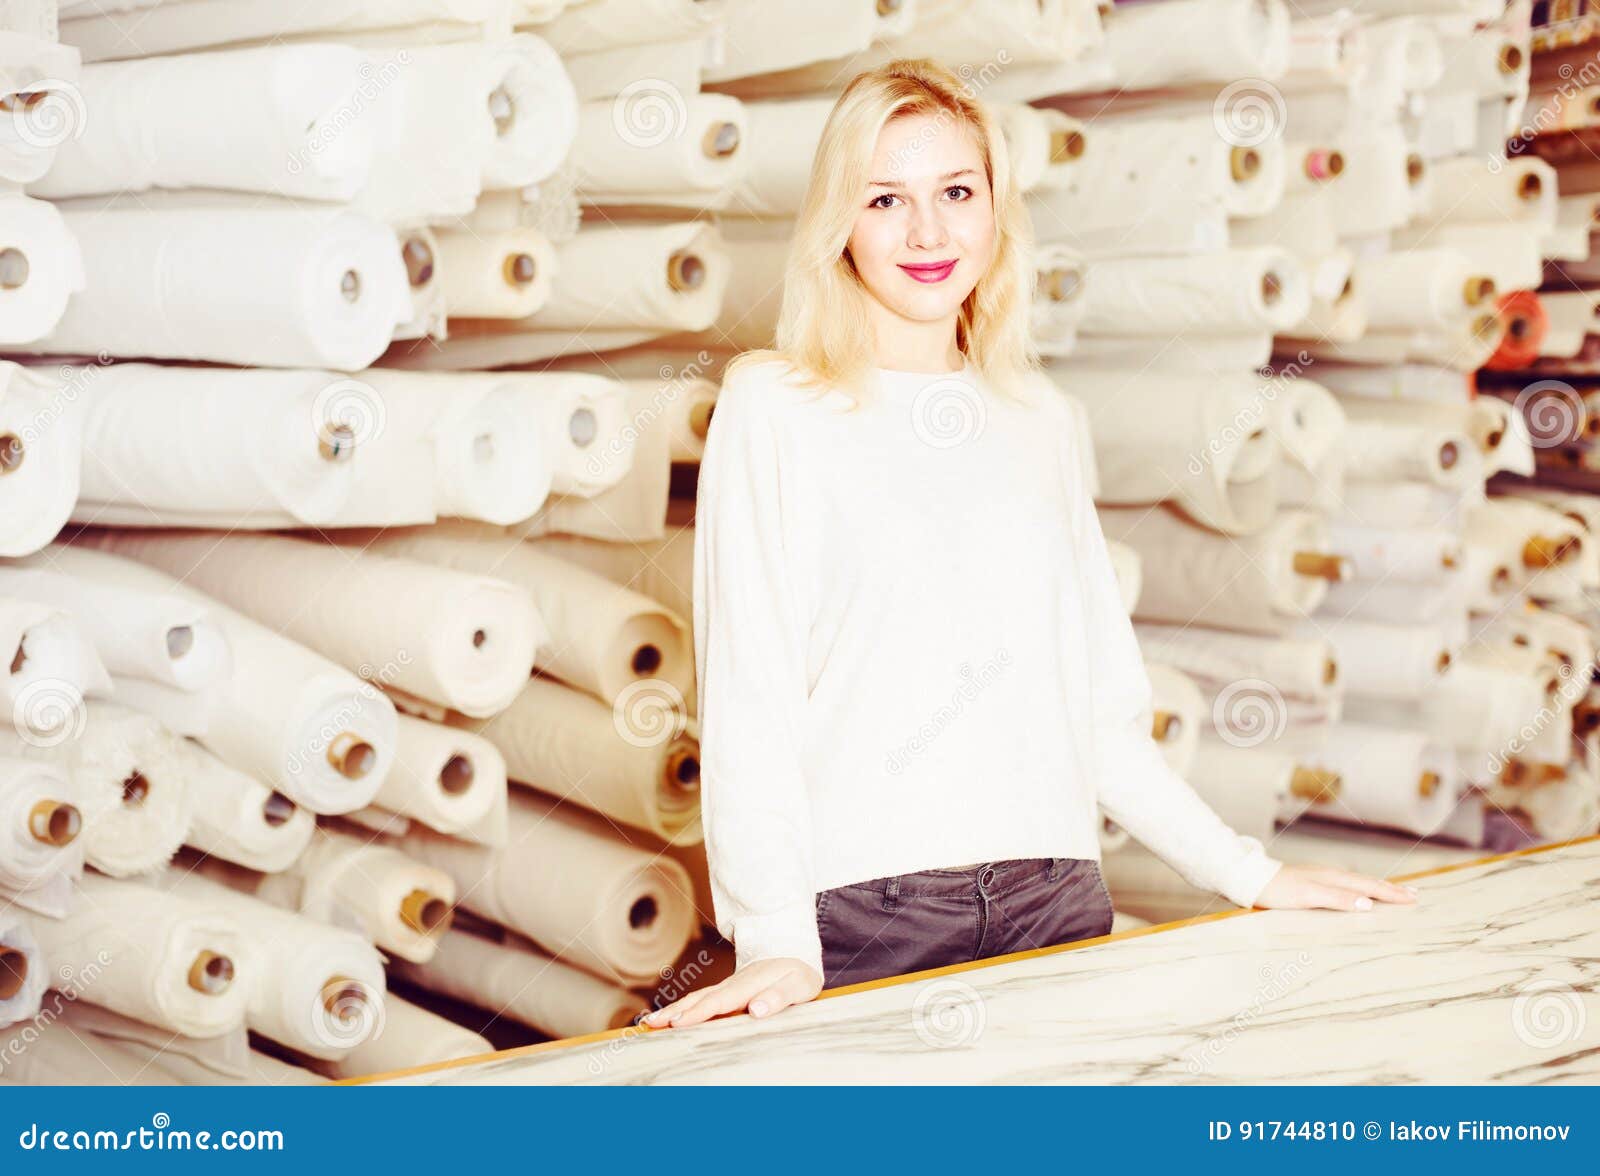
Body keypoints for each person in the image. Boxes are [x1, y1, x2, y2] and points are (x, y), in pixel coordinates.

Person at [643, 58, 1414, 1031]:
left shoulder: (1038, 417)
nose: (928, 233)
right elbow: (751, 702)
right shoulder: (775, 405)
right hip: (874, 921)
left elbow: (1096, 714)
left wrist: (1248, 874)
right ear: (840, 220)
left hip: (1056, 899)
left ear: (995, 211)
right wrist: (777, 943)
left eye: (956, 193)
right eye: (886, 198)